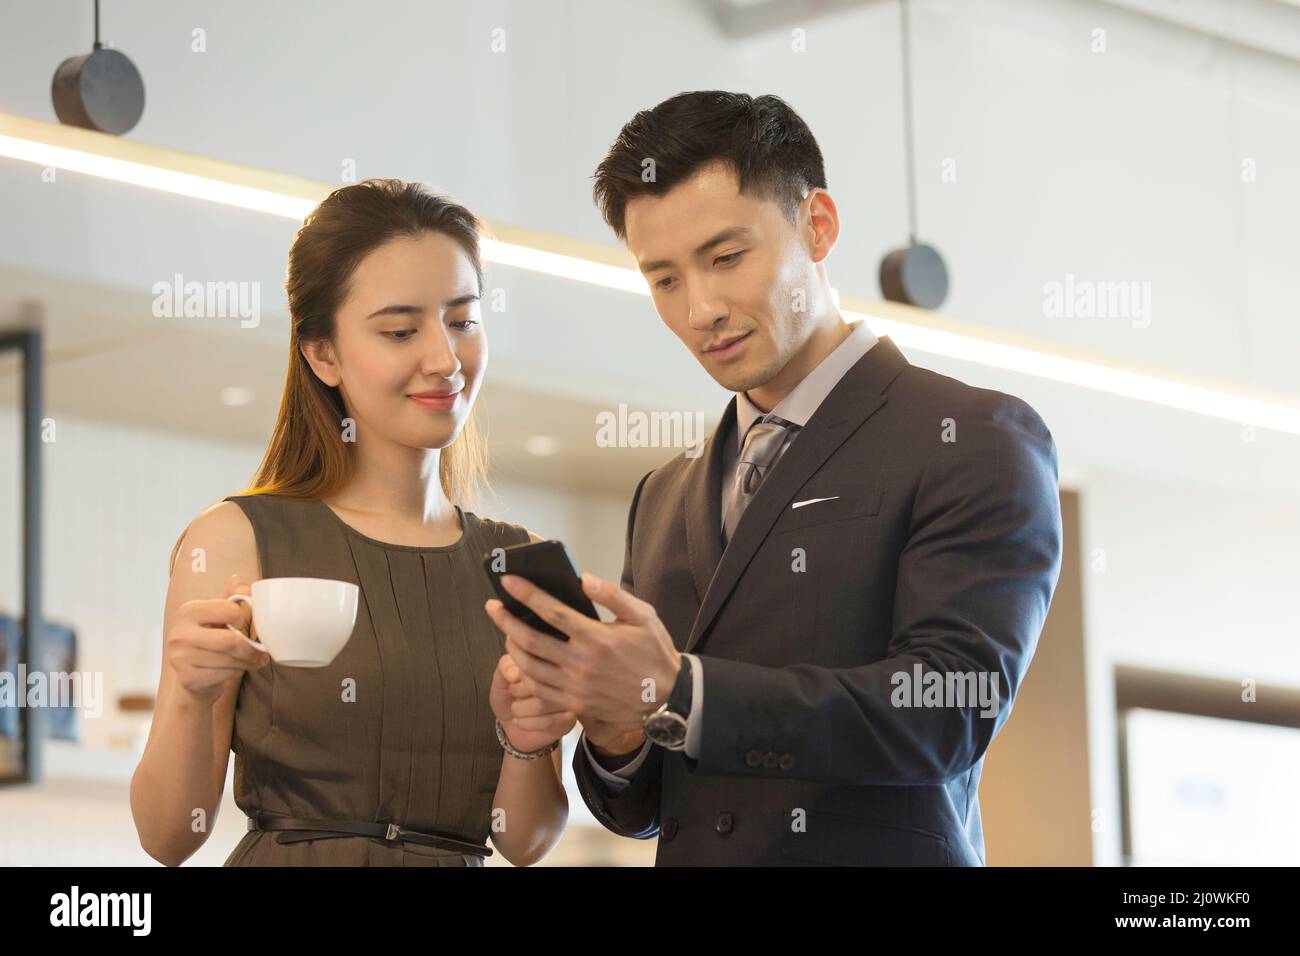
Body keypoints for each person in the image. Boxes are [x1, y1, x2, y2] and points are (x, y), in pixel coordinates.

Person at [487, 91, 1063, 865]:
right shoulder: (663, 494)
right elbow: (644, 808)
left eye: (726, 258)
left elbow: (950, 706)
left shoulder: (970, 437)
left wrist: (681, 692)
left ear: (817, 225)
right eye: (663, 280)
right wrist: (617, 724)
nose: (701, 309)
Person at [130, 179, 572, 867]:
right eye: (400, 330)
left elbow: (526, 839)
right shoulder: (235, 539)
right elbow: (167, 835)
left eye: (462, 320)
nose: (444, 359)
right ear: (322, 354)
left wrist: (527, 739)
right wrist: (191, 696)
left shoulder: (522, 564)